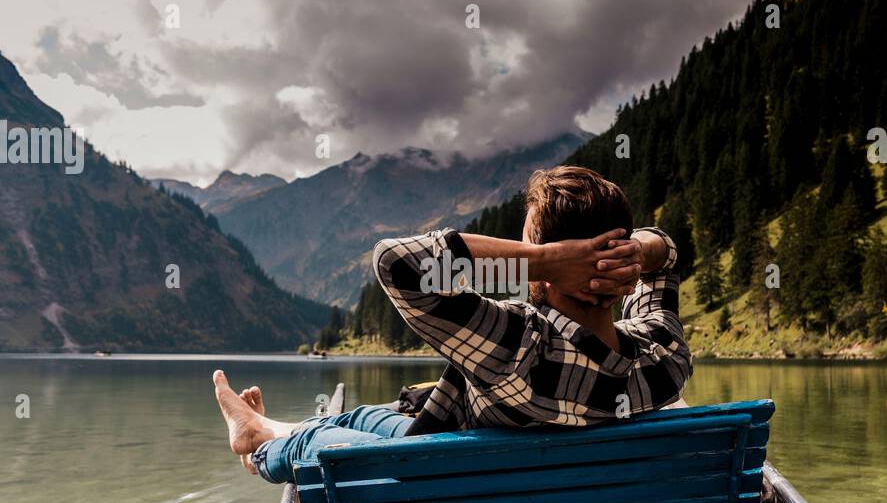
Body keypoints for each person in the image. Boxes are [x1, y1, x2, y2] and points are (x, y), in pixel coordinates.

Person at [213, 165, 692, 482]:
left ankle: (256, 442)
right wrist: (632, 254)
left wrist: (542, 260)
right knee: (359, 418)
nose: (525, 257)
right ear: (628, 276)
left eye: (528, 247)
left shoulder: (521, 346)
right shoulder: (662, 356)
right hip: (460, 444)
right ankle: (265, 423)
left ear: (550, 270)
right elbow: (666, 255)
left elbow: (397, 263)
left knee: (320, 441)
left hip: (439, 473)